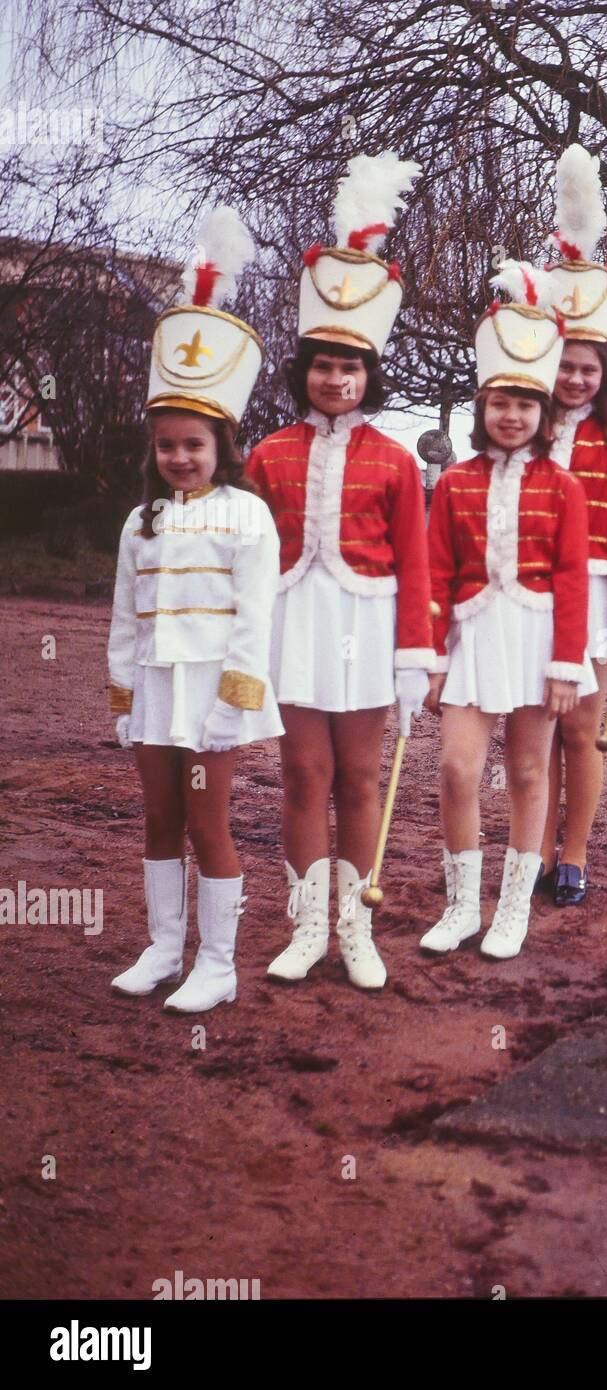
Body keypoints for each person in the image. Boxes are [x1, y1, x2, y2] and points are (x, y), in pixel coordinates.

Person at [244, 153, 435, 991]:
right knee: (301, 775)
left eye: (349, 367)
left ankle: (354, 927)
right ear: (304, 371)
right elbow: (248, 564)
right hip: (290, 624)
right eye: (322, 364)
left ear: (369, 375)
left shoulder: (396, 461)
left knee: (360, 777)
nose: (335, 377)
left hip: (365, 628)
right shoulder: (265, 453)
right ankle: (304, 925)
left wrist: (414, 655)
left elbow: (419, 565)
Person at [108, 207, 282, 1014]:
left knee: (208, 823)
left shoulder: (248, 515)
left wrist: (233, 702)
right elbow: (122, 619)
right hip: (154, 692)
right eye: (167, 445)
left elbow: (254, 620)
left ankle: (219, 962)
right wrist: (121, 697)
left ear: (222, 446)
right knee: (157, 816)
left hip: (214, 694)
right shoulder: (138, 523)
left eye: (194, 445)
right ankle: (162, 947)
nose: (179, 457)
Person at [422, 262, 594, 959]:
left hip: (537, 639)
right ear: (481, 408)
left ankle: (513, 908)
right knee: (457, 769)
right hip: (470, 637)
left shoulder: (564, 487)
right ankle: (463, 903)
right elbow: (434, 571)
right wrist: (429, 654)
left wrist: (565, 666)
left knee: (528, 772)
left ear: (544, 414)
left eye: (526, 404)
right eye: (500, 403)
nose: (512, 415)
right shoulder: (457, 481)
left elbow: (576, 579)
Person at [536, 145, 607, 906]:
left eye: (588, 367)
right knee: (534, 732)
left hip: (603, 591)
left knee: (581, 729)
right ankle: (534, 848)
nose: (576, 378)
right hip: (534, 591)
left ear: (603, 370)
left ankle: (575, 853)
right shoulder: (525, 426)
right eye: (565, 365)